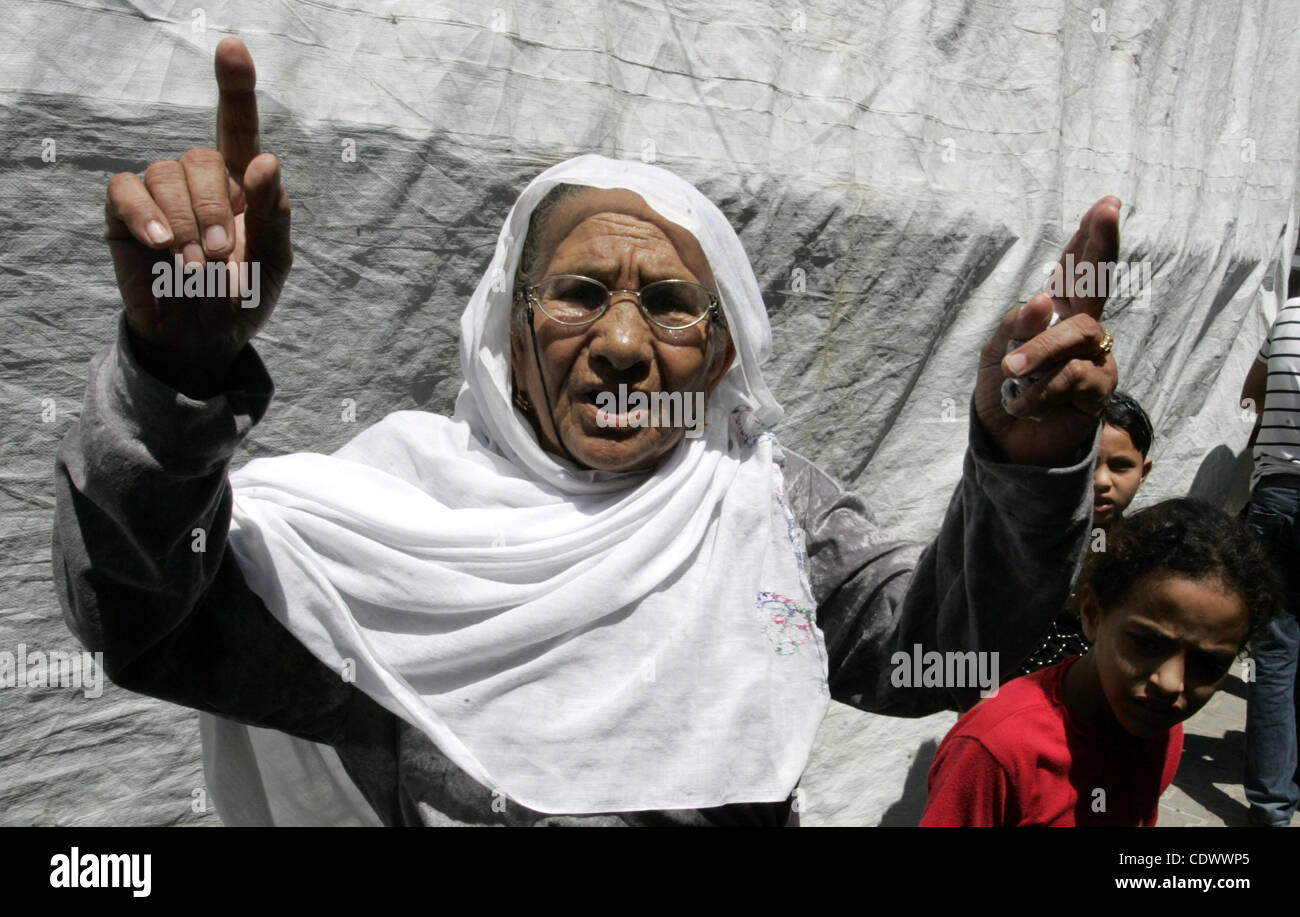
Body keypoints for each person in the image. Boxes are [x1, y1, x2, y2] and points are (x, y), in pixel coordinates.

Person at [53, 39, 1121, 825]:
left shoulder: (756, 503)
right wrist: (174, 371)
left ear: (718, 356)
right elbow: (147, 618)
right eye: (574, 294)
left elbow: (937, 657)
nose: (619, 343)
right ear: (506, 345)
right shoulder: (387, 529)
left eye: (666, 304)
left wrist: (1027, 471)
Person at [920, 499, 1279, 827]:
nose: (1170, 684)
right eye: (1147, 643)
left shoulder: (1159, 729)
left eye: (1208, 664)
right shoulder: (996, 750)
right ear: (1092, 615)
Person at [1010, 391, 1155, 676]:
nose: (1101, 481)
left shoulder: (1142, 553)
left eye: (1120, 466)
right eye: (1087, 464)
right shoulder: (1026, 536)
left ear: (1143, 471)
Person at [1239, 294, 1300, 827]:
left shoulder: (1289, 316)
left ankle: (1271, 808)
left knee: (1275, 654)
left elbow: (1250, 394)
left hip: (1278, 494)